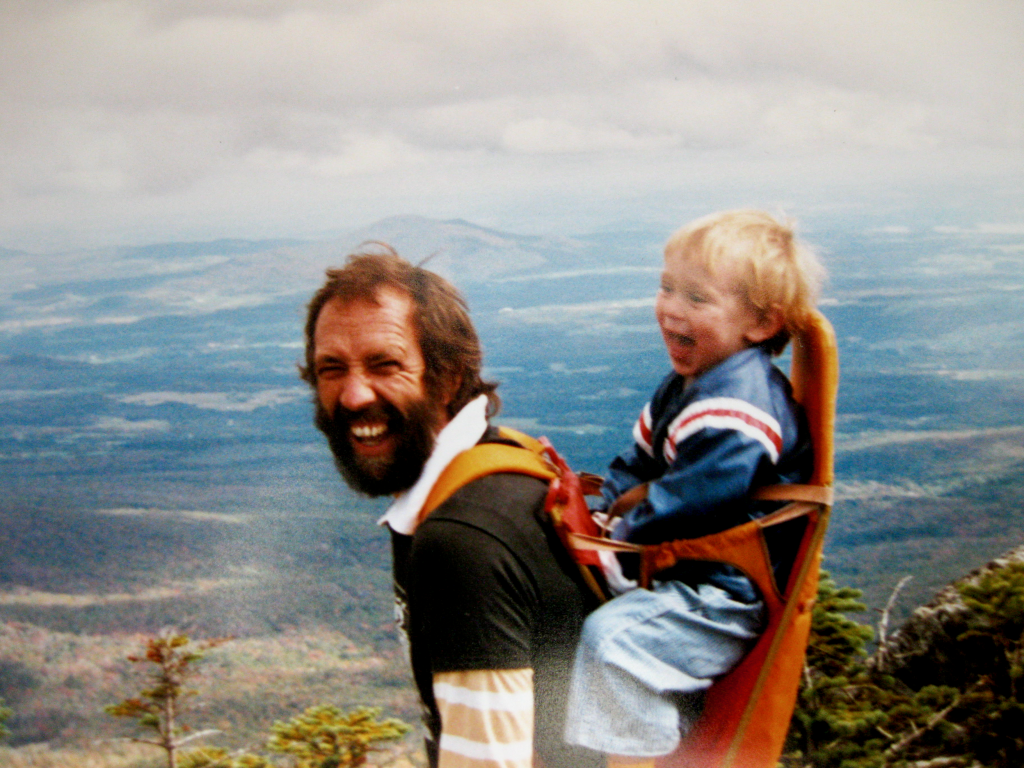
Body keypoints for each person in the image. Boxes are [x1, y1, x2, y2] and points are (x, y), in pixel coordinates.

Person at [299, 246, 602, 768]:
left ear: (450, 378)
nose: (352, 396)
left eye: (384, 365)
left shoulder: (464, 540)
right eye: (331, 369)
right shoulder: (505, 459)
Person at [564, 210, 825, 765]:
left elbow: (688, 505)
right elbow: (637, 460)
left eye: (696, 299)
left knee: (613, 645)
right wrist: (610, 507)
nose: (670, 309)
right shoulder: (689, 383)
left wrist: (615, 543)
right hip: (685, 570)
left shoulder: (737, 410)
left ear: (759, 324)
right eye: (666, 288)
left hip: (723, 594)